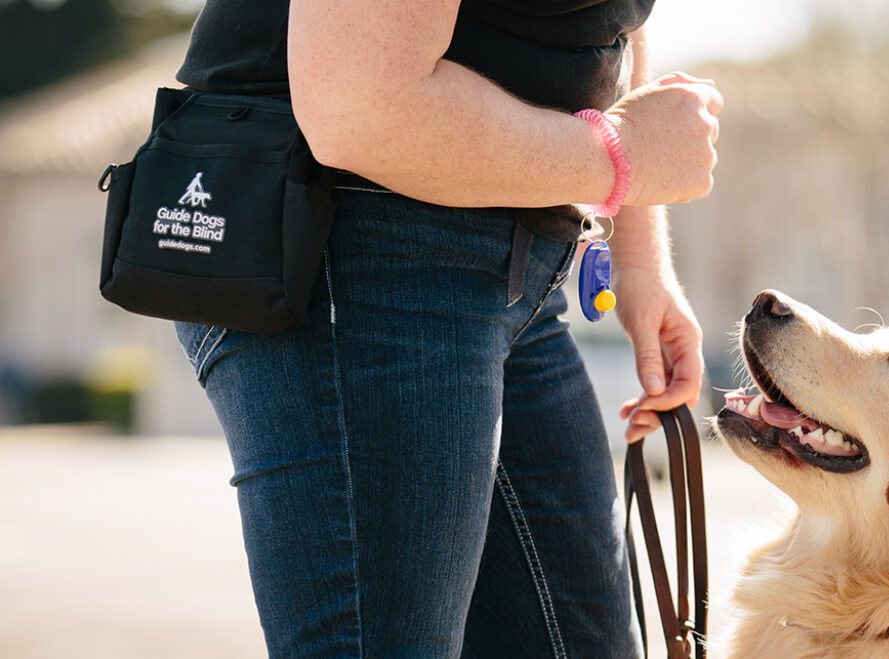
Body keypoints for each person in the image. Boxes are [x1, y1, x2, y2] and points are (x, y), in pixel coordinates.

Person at [172, 0, 721, 656]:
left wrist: (639, 258)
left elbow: (608, 23)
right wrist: (619, 158)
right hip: (355, 246)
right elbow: (360, 108)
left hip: (517, 269)